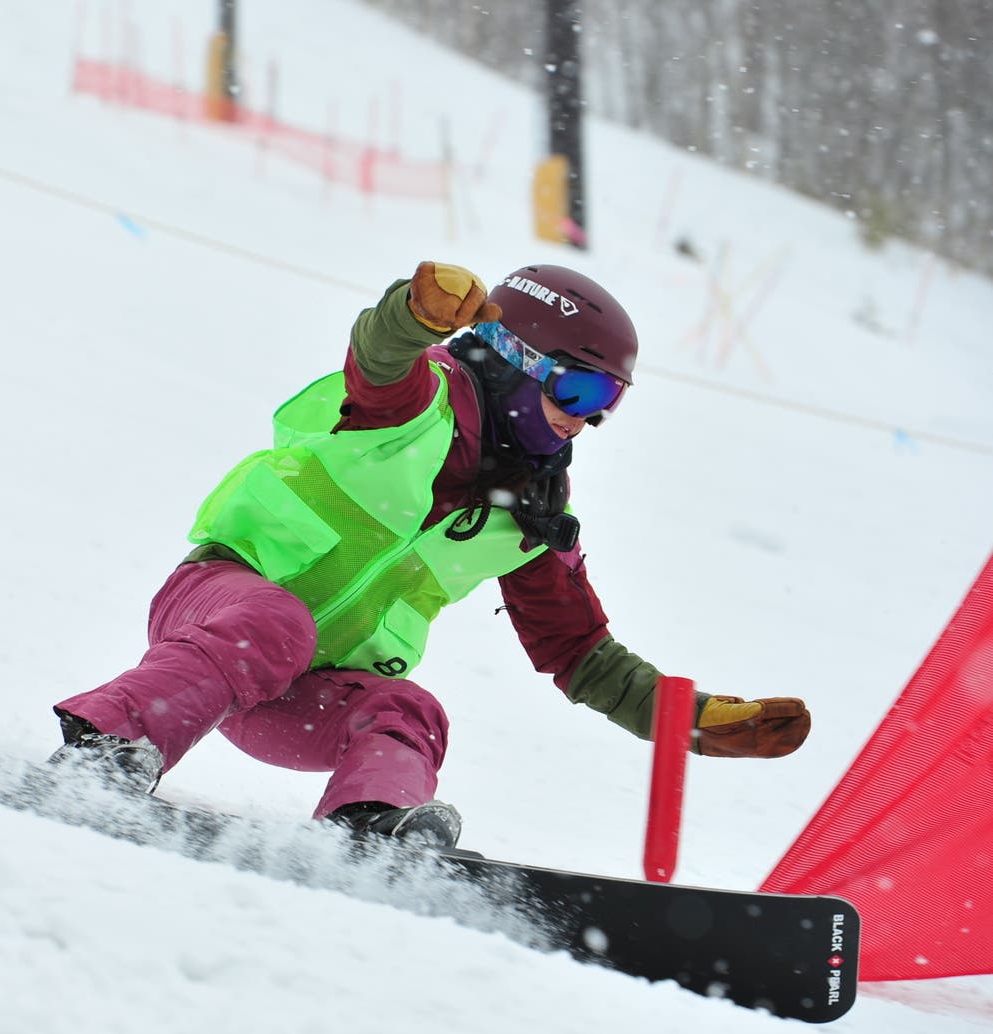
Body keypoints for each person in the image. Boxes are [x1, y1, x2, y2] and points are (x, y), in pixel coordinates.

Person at [51, 261, 811, 848]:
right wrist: (411, 315)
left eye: (606, 404)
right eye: (576, 392)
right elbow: (377, 360)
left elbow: (580, 652)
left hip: (297, 695)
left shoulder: (534, 515)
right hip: (217, 614)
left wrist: (696, 722)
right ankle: (106, 750)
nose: (586, 422)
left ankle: (369, 831)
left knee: (410, 708)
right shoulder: (422, 402)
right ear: (518, 360)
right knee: (276, 621)